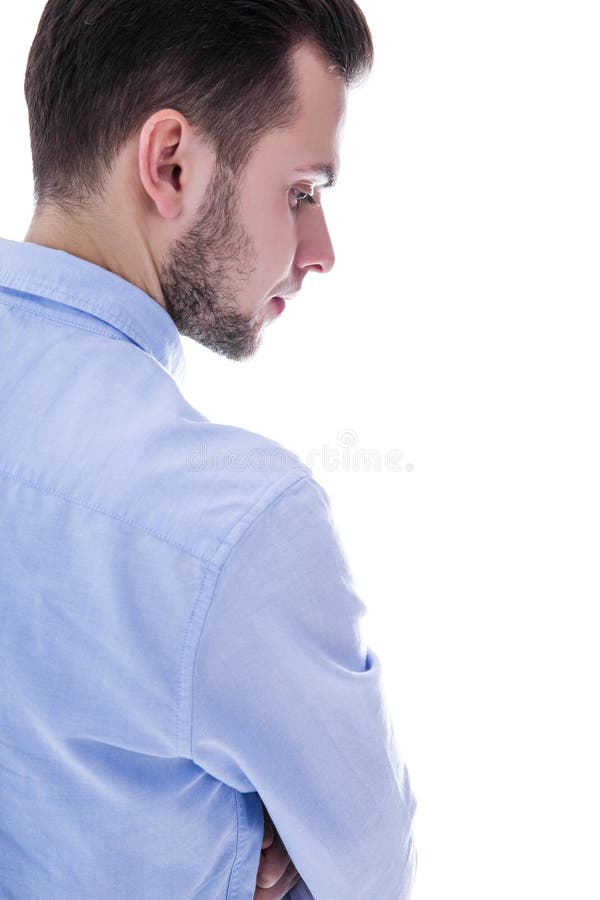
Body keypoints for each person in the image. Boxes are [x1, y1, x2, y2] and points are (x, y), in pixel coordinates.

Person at [0, 1, 417, 898]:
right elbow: (371, 880)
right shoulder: (237, 526)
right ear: (171, 164)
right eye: (302, 191)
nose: (321, 251)